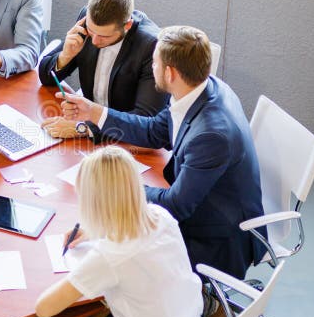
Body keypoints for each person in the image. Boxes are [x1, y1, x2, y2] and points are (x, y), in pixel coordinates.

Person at [59, 26, 265, 280]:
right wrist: (94, 112)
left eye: (154, 63)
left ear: (170, 73)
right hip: (204, 202)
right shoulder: (199, 87)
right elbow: (156, 131)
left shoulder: (211, 137)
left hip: (216, 238)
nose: (150, 67)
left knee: (119, 260)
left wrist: (117, 189)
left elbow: (174, 206)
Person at [36, 146, 206, 317]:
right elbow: (130, 239)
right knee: (87, 313)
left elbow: (44, 309)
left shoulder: (110, 255)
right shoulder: (158, 215)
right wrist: (95, 231)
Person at [38, 0, 167, 138]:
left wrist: (84, 128)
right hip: (83, 117)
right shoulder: (86, 20)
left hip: (124, 139)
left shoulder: (152, 46)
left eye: (104, 36)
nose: (94, 41)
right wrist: (66, 55)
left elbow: (145, 120)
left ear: (127, 25)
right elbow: (45, 77)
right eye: (91, 32)